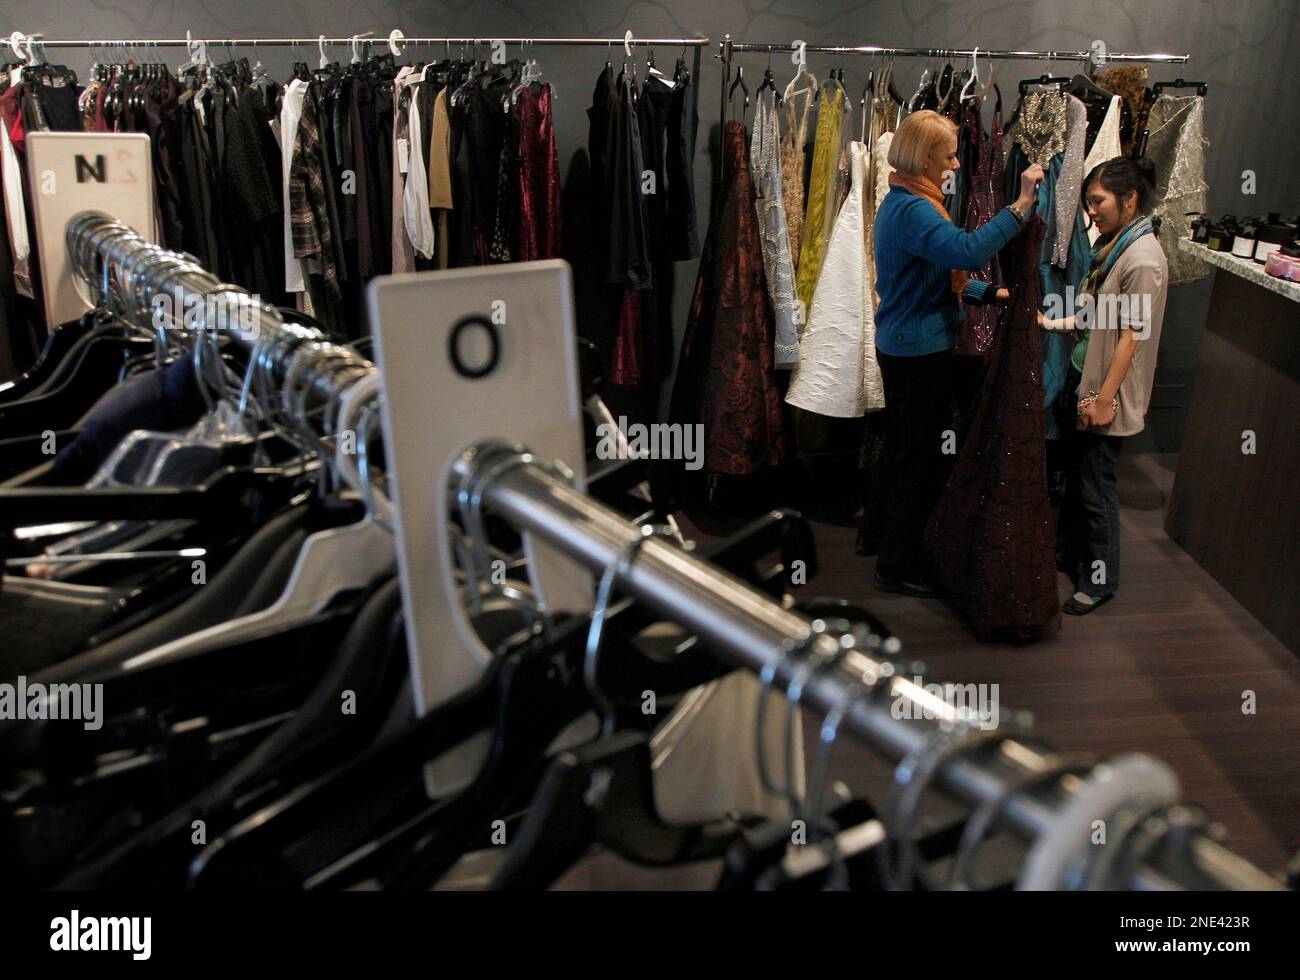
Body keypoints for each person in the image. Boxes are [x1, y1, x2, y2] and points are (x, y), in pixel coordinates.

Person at [871, 109, 1043, 596]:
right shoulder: (917, 210)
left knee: (902, 449)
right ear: (924, 156)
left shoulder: (901, 199)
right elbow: (966, 252)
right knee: (918, 459)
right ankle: (896, 566)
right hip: (917, 351)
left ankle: (878, 540)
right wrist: (1020, 207)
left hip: (903, 343)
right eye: (947, 154)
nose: (953, 163)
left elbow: (930, 276)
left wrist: (988, 295)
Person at [1041, 157, 1168, 615]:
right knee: (1079, 481)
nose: (1091, 211)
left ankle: (1099, 582)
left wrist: (1103, 400)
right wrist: (1052, 323)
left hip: (1102, 391)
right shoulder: (1115, 248)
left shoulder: (1143, 259)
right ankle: (1072, 557)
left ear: (1129, 199)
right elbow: (1100, 316)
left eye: (1097, 201)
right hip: (1085, 378)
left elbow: (1131, 337)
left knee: (1096, 489)